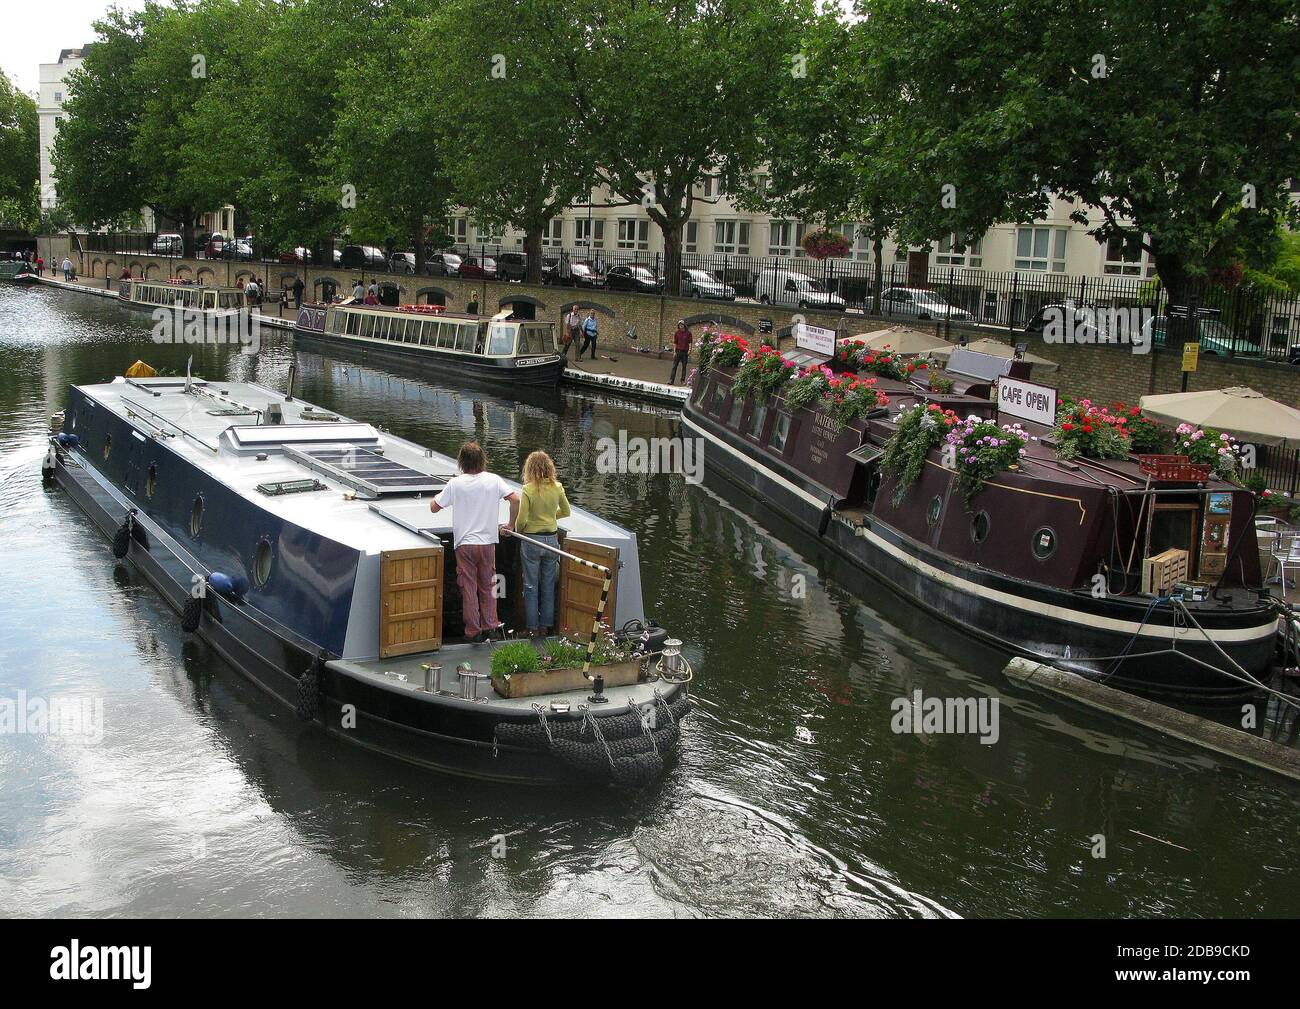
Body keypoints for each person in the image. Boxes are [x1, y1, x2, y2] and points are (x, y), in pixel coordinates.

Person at [429, 442, 520, 643]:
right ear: (482, 460)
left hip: (464, 544)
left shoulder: (455, 483)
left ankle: (473, 631)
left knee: (468, 587)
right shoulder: (494, 480)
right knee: (488, 585)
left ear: (461, 462)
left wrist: (436, 497)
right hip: (487, 543)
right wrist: (511, 525)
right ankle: (491, 626)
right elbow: (515, 500)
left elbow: (434, 507)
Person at [506, 450, 571, 639]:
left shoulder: (528, 489)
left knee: (531, 586)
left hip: (532, 540)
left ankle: (532, 628)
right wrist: (551, 517)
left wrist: (518, 530)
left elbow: (522, 519)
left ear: (530, 469)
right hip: (551, 540)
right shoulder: (557, 487)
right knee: (548, 585)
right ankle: (546, 627)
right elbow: (566, 512)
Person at [669, 319, 691, 384]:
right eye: (679, 325)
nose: (681, 326)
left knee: (684, 367)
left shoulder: (688, 333)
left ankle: (682, 380)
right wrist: (674, 352)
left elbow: (690, 342)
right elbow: (675, 343)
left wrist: (690, 350)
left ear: (684, 325)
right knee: (674, 366)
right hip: (678, 351)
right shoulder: (677, 333)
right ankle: (671, 380)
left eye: (682, 325)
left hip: (685, 352)